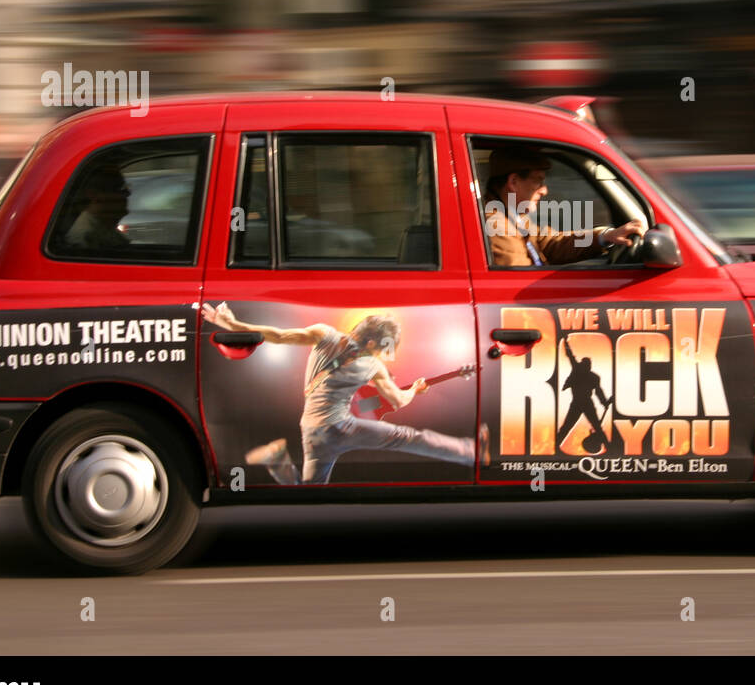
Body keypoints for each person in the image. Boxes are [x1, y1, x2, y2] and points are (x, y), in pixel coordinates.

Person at [201, 303, 475, 484]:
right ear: (370, 342)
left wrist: (233, 324)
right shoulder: (372, 365)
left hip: (310, 429)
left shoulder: (324, 334)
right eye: (382, 347)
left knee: (310, 491)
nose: (383, 353)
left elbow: (278, 335)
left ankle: (278, 463)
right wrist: (415, 390)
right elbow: (398, 400)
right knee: (408, 437)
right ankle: (468, 451)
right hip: (339, 427)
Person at [482, 147, 645, 266]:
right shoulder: (497, 226)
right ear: (513, 182)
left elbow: (551, 243)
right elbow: (520, 283)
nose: (544, 190)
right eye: (538, 181)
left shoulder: (511, 216)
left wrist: (605, 236)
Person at [64, 164, 131, 249]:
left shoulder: (104, 229)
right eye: (120, 189)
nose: (128, 193)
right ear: (93, 195)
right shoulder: (84, 239)